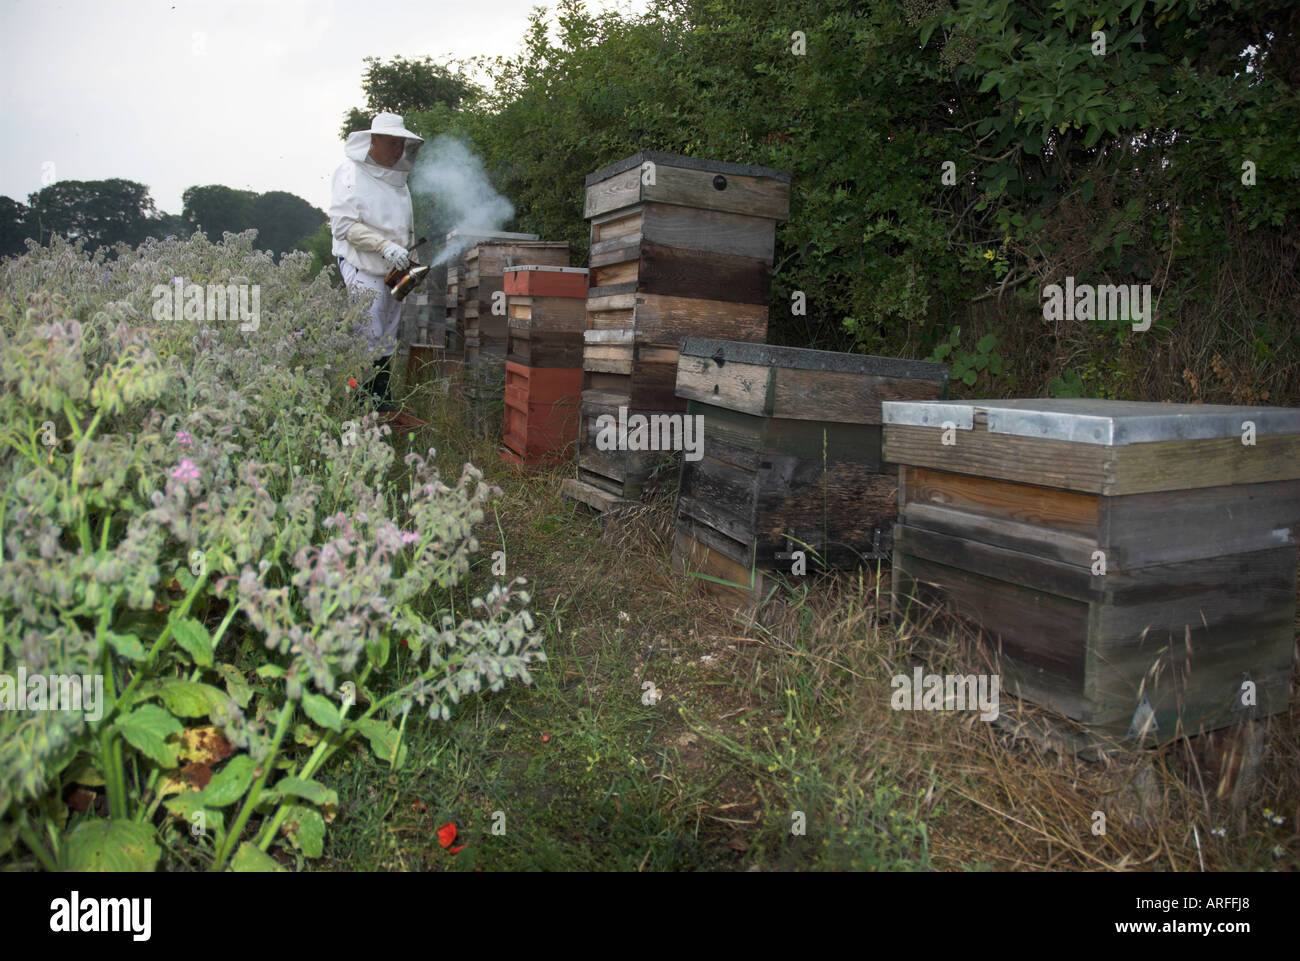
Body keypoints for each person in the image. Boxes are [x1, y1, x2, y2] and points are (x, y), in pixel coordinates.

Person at [329, 112, 423, 416]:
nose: (398, 151)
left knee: (386, 338)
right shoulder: (349, 173)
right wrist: (383, 246)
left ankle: (380, 403)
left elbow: (405, 228)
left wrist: (410, 260)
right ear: (373, 142)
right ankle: (359, 405)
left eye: (401, 144)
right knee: (366, 335)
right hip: (363, 264)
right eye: (392, 143)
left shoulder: (399, 181)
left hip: (393, 268)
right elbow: (343, 226)